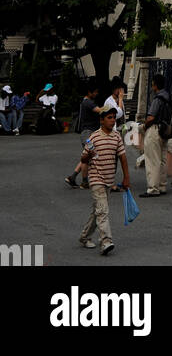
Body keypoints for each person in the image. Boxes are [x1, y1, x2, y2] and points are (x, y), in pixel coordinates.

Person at [78, 105, 130, 256]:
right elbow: (83, 159)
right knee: (103, 211)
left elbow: (123, 158)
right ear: (101, 120)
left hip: (109, 180)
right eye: (109, 118)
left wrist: (126, 177)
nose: (112, 121)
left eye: (114, 118)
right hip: (96, 179)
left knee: (97, 212)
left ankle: (84, 236)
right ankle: (106, 241)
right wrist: (89, 155)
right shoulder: (93, 137)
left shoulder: (117, 137)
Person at [65, 80, 101, 188]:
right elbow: (99, 110)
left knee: (87, 155)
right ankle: (84, 182)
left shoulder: (84, 101)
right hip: (88, 134)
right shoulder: (88, 102)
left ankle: (72, 177)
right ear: (89, 92)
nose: (96, 94)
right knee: (87, 156)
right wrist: (111, 109)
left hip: (86, 133)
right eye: (95, 92)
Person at [141, 73, 172, 197]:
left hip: (154, 130)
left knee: (153, 160)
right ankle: (162, 185)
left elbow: (151, 118)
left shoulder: (157, 99)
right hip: (165, 131)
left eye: (152, 84)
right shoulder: (168, 97)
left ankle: (153, 188)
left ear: (155, 85)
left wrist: (143, 126)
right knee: (162, 160)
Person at [103, 78, 127, 189]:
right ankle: (108, 182)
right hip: (111, 132)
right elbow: (118, 114)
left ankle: (111, 181)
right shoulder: (109, 101)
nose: (121, 91)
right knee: (111, 157)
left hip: (119, 131)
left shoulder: (117, 100)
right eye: (120, 89)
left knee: (117, 157)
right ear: (115, 89)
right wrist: (121, 100)